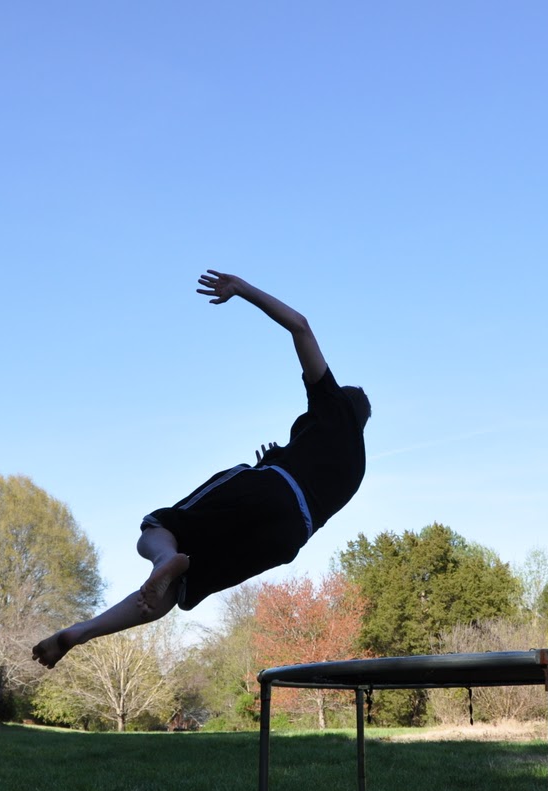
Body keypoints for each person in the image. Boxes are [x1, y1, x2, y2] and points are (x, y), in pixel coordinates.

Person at [31, 270, 370, 668]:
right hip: (288, 537)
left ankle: (162, 560)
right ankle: (80, 633)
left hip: (270, 488)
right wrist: (279, 462)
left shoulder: (334, 407)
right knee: (176, 592)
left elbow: (300, 327)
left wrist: (240, 288)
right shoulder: (356, 468)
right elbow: (303, 492)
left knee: (157, 528)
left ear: (341, 404)